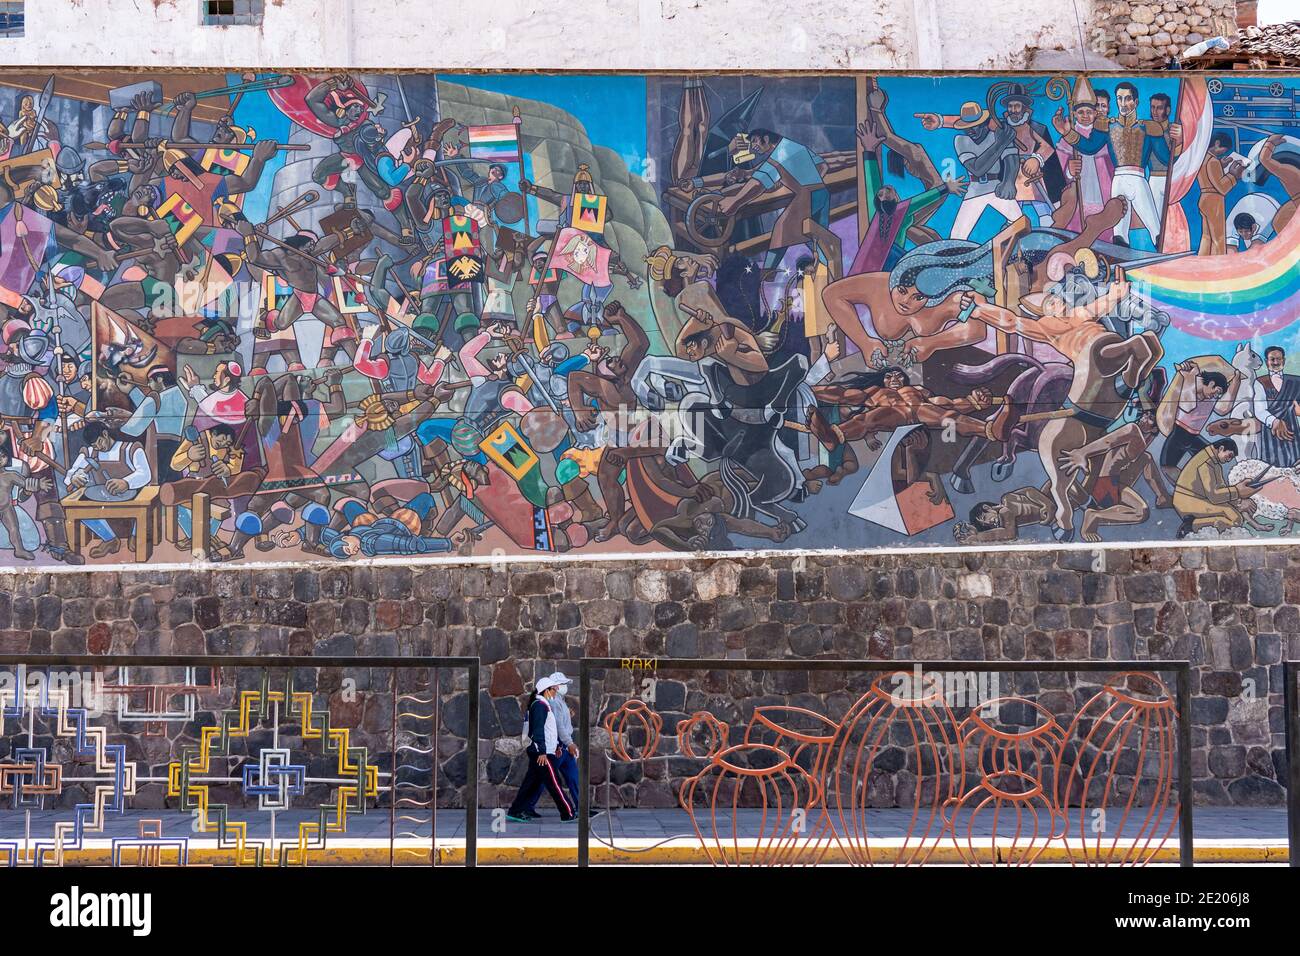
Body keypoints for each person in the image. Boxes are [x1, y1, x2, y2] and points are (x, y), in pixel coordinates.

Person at [521, 671, 597, 818]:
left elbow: (560, 721)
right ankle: (530, 807)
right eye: (562, 684)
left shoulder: (558, 699)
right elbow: (557, 725)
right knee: (546, 779)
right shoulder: (552, 701)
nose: (565, 686)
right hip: (559, 746)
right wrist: (570, 743)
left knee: (567, 778)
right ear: (553, 686)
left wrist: (568, 714)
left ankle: (581, 808)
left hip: (562, 747)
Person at [506, 675, 576, 823]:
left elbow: (548, 731)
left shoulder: (542, 704)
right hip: (542, 754)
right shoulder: (540, 706)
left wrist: (554, 746)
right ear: (546, 690)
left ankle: (515, 810)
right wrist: (542, 752)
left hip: (542, 752)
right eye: (553, 690)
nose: (556, 692)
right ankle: (568, 813)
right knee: (554, 783)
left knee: (531, 783)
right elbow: (538, 731)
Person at [1172, 438, 1258, 537]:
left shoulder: (1214, 463)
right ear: (1221, 448)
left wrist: (1238, 501)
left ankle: (1195, 523)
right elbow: (1214, 496)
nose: (1229, 460)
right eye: (1229, 456)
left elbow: (1221, 491)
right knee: (1235, 520)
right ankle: (1190, 527)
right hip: (1187, 501)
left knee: (1234, 516)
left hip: (1199, 499)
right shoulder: (1206, 462)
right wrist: (1237, 491)